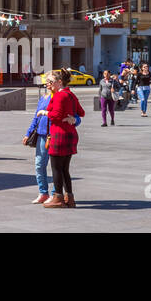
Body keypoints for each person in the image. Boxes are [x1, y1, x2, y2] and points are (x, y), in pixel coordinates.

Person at [43, 69, 85, 209]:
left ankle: (58, 198)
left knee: (56, 168)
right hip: (71, 134)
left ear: (59, 82)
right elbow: (81, 112)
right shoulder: (70, 94)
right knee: (65, 169)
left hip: (59, 134)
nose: (48, 84)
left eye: (51, 82)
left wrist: (45, 112)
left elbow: (55, 115)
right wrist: (72, 117)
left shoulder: (60, 96)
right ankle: (70, 197)